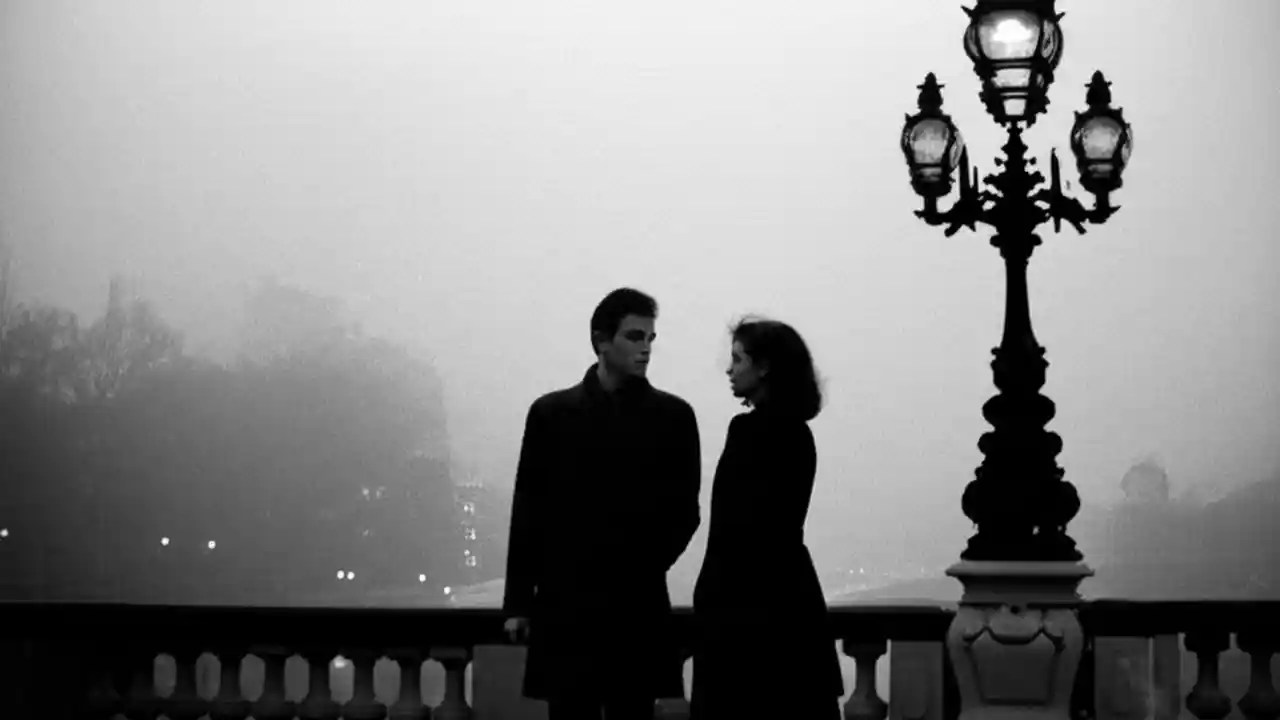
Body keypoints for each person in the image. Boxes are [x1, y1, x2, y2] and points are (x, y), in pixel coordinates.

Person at [502, 287, 702, 720]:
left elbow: (685, 512)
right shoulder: (550, 415)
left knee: (632, 711)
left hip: (633, 601)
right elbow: (528, 510)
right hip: (568, 602)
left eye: (650, 338)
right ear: (601, 340)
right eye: (635, 337)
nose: (646, 348)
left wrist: (640, 563)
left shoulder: (674, 418)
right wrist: (518, 601)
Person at [690, 317, 844, 719]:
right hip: (791, 605)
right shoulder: (799, 434)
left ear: (765, 367)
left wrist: (709, 598)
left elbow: (731, 531)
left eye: (738, 359)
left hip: (745, 613)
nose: (730, 368)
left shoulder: (749, 431)